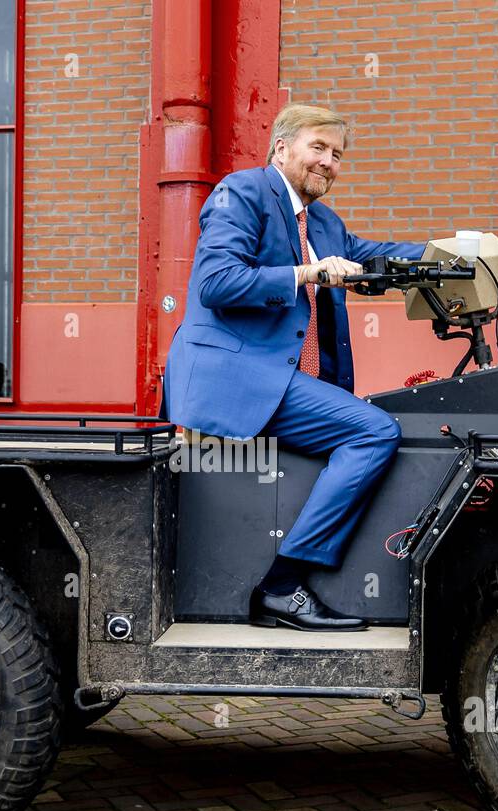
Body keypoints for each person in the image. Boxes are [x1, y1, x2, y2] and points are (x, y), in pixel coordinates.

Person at [164, 103, 427, 631]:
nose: (329, 162)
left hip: (285, 381)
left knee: (369, 423)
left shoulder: (324, 222)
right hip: (237, 377)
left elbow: (379, 256)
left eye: (337, 154)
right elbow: (216, 282)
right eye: (319, 148)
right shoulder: (242, 193)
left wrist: (471, 251)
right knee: (374, 431)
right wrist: (307, 273)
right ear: (281, 149)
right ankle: (282, 587)